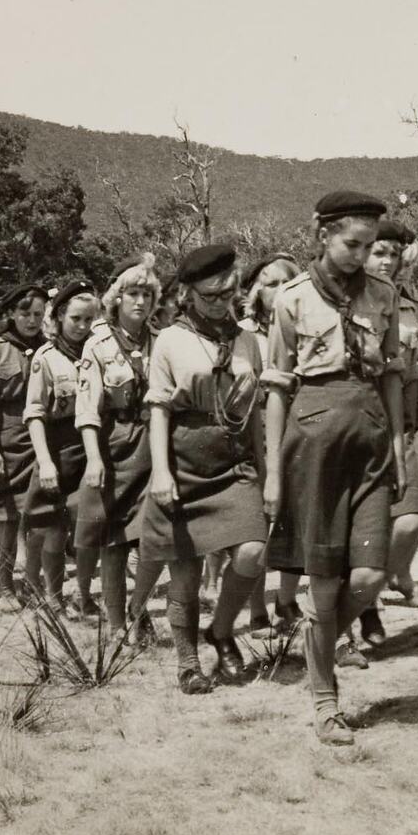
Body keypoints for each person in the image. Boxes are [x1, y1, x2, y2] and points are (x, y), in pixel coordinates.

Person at [263, 190, 407, 745]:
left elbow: (393, 374)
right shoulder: (292, 300)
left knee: (369, 577)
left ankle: (316, 645)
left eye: (371, 245)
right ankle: (325, 700)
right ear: (323, 235)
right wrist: (275, 470)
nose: (363, 254)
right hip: (314, 445)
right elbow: (277, 386)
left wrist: (396, 441)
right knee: (324, 585)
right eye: (353, 243)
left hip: (370, 442)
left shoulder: (384, 295)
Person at [143, 244, 269, 692]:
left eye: (227, 293)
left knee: (253, 550)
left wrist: (264, 470)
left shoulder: (249, 340)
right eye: (210, 295)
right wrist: (161, 471)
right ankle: (188, 663)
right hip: (184, 460)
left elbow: (254, 410)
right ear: (188, 294)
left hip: (235, 461)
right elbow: (158, 409)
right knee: (186, 570)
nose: (220, 303)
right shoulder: (170, 340)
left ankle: (221, 629)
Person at [352, 221, 418, 652]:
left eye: (393, 254)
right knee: (381, 516)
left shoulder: (417, 309)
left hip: (413, 417)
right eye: (379, 253)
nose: (387, 262)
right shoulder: (351, 305)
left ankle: (395, 574)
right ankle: (369, 602)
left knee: (416, 512)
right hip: (370, 420)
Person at [80, 256, 160, 637]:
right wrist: (94, 458)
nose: (140, 302)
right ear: (117, 298)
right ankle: (116, 622)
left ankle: (138, 605)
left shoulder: (163, 341)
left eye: (147, 294)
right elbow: (88, 411)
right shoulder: (97, 346)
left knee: (154, 539)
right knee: (113, 543)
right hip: (116, 450)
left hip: (155, 447)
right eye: (132, 293)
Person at [21, 281, 98, 612]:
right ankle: (53, 595)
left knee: (87, 525)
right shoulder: (45, 357)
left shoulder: (98, 351)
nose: (82, 327)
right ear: (60, 317)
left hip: (91, 446)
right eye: (75, 319)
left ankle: (84, 594)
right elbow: (35, 414)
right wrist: (45, 461)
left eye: (87, 320)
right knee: (52, 528)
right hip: (58, 446)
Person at [237, 252, 302, 632]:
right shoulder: (243, 332)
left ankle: (288, 598)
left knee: (297, 516)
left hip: (298, 425)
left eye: (284, 282)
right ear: (256, 291)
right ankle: (256, 602)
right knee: (259, 518)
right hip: (255, 429)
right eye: (269, 283)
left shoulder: (307, 322)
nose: (276, 290)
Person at [0, 284, 49, 603]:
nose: (32, 321)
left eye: (38, 314)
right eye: (25, 314)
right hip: (6, 436)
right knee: (3, 517)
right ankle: (3, 583)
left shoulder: (49, 348)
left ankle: (31, 583)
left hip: (41, 438)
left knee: (35, 516)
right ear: (11, 314)